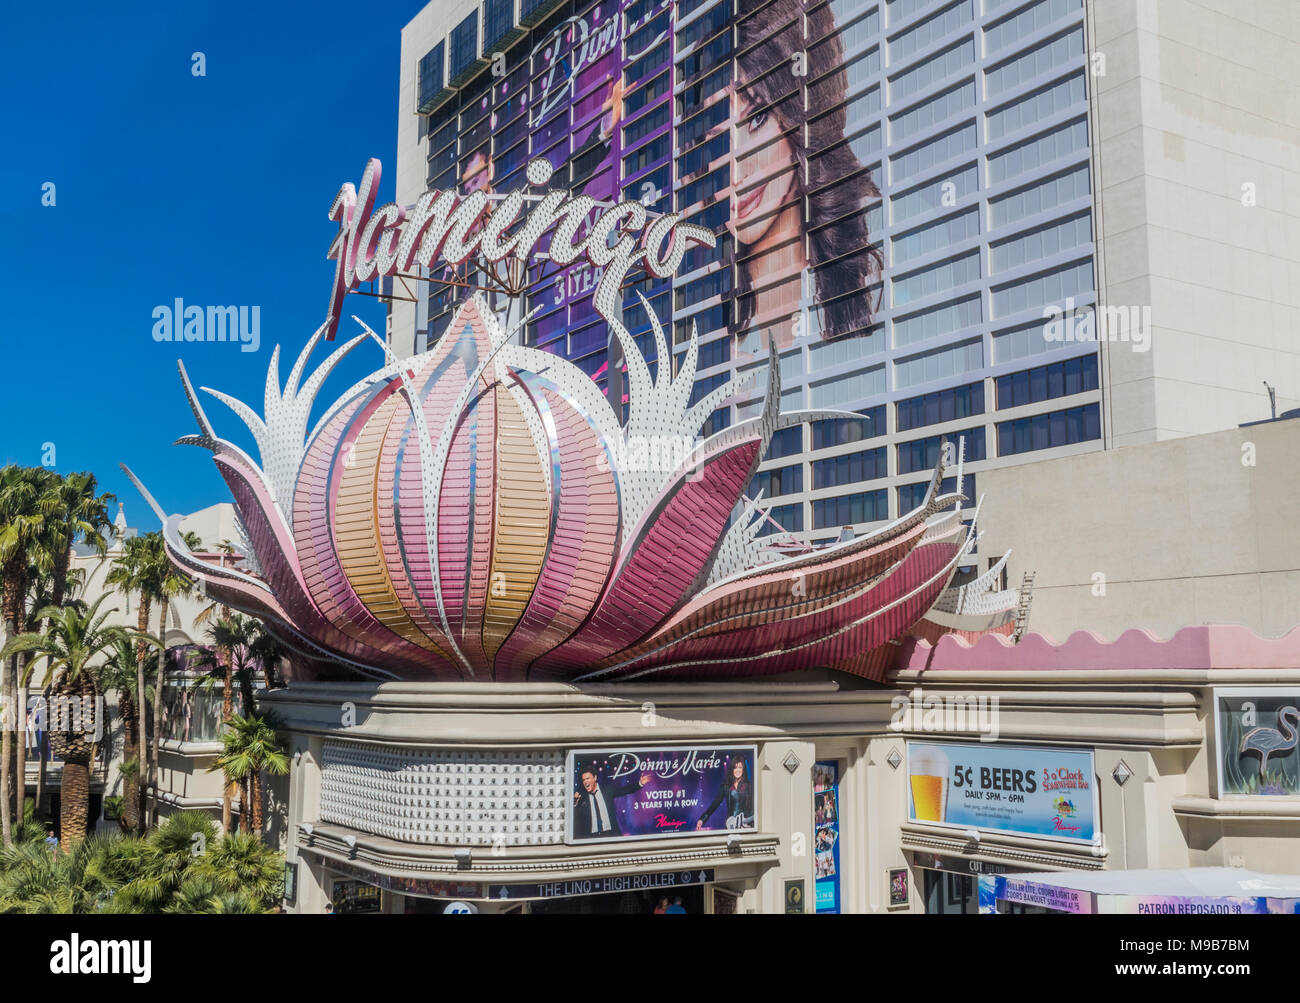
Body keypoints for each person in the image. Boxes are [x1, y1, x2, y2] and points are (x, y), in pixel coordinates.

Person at [713, 0, 883, 358]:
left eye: (756, 118)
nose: (736, 166)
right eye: (715, 141)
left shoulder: (867, 279)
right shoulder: (710, 310)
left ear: (799, 116)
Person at [572, 762, 652, 839]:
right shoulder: (582, 796)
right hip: (593, 837)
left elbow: (625, 790)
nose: (585, 782)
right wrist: (575, 802)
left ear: (595, 778)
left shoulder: (607, 790)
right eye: (583, 780)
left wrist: (640, 783)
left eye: (587, 778)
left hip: (611, 834)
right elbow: (576, 818)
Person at [695, 757, 755, 831]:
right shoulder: (726, 786)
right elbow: (715, 804)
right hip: (730, 825)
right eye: (735, 768)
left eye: (740, 767)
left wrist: (749, 821)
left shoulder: (748, 786)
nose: (737, 770)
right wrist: (702, 819)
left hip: (745, 825)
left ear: (743, 770)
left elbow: (752, 807)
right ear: (732, 770)